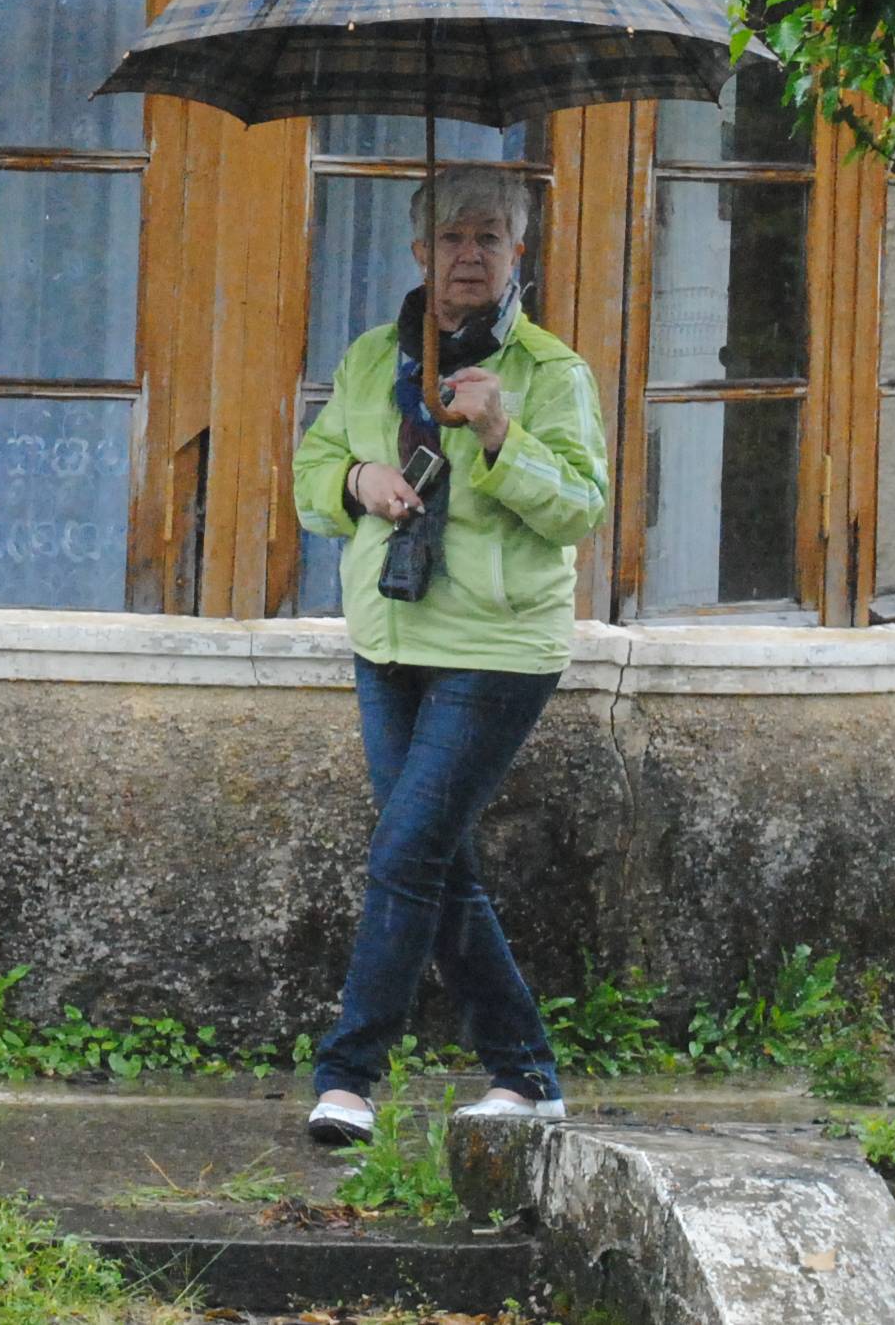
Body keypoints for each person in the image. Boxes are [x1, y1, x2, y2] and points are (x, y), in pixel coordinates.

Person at [288, 164, 609, 1148]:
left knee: (405, 851)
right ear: (419, 252)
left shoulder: (550, 374)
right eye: (451, 238)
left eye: (489, 238)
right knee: (435, 861)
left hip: (494, 649)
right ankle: (524, 1074)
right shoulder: (370, 358)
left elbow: (577, 510)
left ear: (518, 256)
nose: (468, 254)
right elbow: (307, 476)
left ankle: (349, 1078)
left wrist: (500, 432)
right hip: (389, 636)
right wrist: (356, 477)